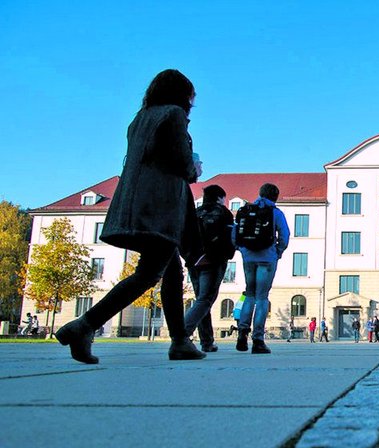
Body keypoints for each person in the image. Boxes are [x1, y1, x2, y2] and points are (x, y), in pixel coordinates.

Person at [56, 69, 205, 364]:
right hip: (160, 206)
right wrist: (195, 169)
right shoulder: (174, 115)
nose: (191, 104)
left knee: (172, 270)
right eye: (191, 97)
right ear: (182, 95)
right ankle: (84, 325)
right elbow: (181, 162)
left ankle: (179, 340)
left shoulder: (140, 119)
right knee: (149, 274)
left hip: (137, 203)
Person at [234, 183, 290, 354]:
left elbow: (235, 233)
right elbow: (285, 235)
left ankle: (242, 333)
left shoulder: (246, 209)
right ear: (275, 197)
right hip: (267, 258)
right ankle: (258, 339)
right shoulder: (275, 213)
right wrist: (278, 252)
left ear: (260, 194)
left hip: (248, 258)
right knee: (262, 298)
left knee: (249, 294)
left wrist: (242, 249)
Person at [184, 184, 235, 352]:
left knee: (201, 300)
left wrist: (190, 258)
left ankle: (206, 341)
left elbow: (183, 238)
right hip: (214, 261)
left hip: (194, 262)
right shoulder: (223, 213)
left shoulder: (195, 213)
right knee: (205, 300)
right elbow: (229, 238)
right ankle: (182, 333)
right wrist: (228, 255)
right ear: (220, 198)